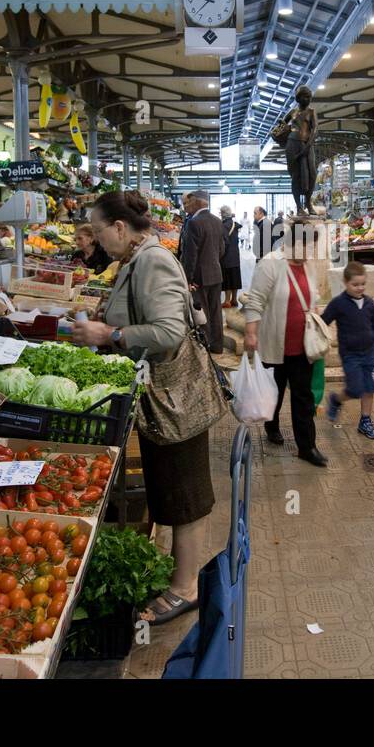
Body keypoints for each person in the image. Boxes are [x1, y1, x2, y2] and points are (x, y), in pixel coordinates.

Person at [68, 190, 214, 626]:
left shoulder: (152, 260)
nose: (94, 241)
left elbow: (168, 331)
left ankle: (186, 588)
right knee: (171, 484)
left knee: (185, 489)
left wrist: (109, 335)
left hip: (175, 395)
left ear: (119, 228)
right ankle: (181, 577)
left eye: (97, 232)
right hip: (161, 392)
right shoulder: (136, 259)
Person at [242, 217, 327, 467]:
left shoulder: (308, 265)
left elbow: (314, 295)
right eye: (307, 246)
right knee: (275, 393)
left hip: (303, 346)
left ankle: (307, 447)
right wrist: (250, 332)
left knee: (303, 397)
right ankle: (272, 424)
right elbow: (255, 300)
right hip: (274, 344)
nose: (310, 252)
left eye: (312, 247)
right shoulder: (270, 264)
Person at [322, 261, 374, 440]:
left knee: (370, 387)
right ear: (345, 282)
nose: (359, 288)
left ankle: (365, 421)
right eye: (355, 284)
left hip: (369, 353)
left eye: (363, 284)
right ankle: (336, 400)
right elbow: (323, 321)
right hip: (350, 355)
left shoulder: (369, 303)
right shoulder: (338, 303)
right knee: (355, 389)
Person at [180, 190, 225, 354]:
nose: (187, 206)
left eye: (189, 203)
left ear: (198, 203)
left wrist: (188, 278)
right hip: (215, 273)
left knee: (202, 313)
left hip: (200, 276)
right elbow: (221, 250)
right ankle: (218, 346)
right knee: (216, 312)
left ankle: (205, 347)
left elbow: (191, 255)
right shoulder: (217, 221)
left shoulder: (194, 222)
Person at [273, 85, 317, 214]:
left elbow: (315, 130)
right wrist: (282, 126)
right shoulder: (292, 112)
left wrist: (308, 145)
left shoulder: (311, 112)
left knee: (312, 174)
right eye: (304, 97)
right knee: (295, 176)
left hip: (307, 144)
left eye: (309, 97)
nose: (307, 99)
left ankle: (308, 203)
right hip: (292, 144)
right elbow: (281, 124)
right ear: (298, 98)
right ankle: (299, 207)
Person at [220, 206, 243, 307]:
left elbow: (225, 242)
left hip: (227, 256)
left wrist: (220, 253)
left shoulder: (224, 225)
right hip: (235, 255)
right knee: (235, 277)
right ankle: (234, 299)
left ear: (222, 214)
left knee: (228, 278)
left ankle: (227, 301)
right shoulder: (235, 224)